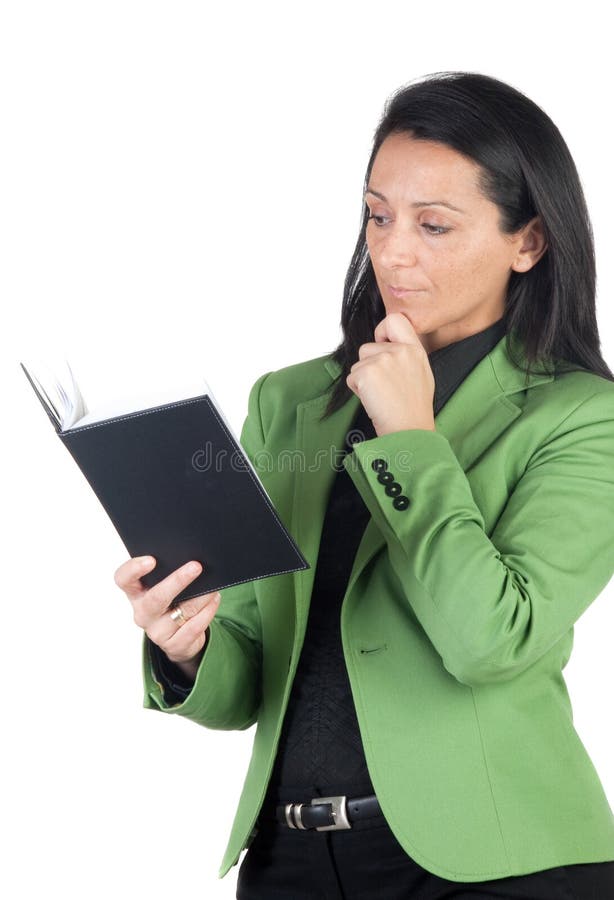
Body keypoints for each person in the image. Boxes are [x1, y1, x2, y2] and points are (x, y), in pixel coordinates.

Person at [115, 71, 614, 898]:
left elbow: (491, 642)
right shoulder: (291, 405)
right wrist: (184, 648)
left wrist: (412, 436)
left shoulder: (582, 418)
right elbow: (248, 680)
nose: (392, 250)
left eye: (435, 224)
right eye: (379, 215)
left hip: (500, 865)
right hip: (292, 863)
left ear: (528, 242)